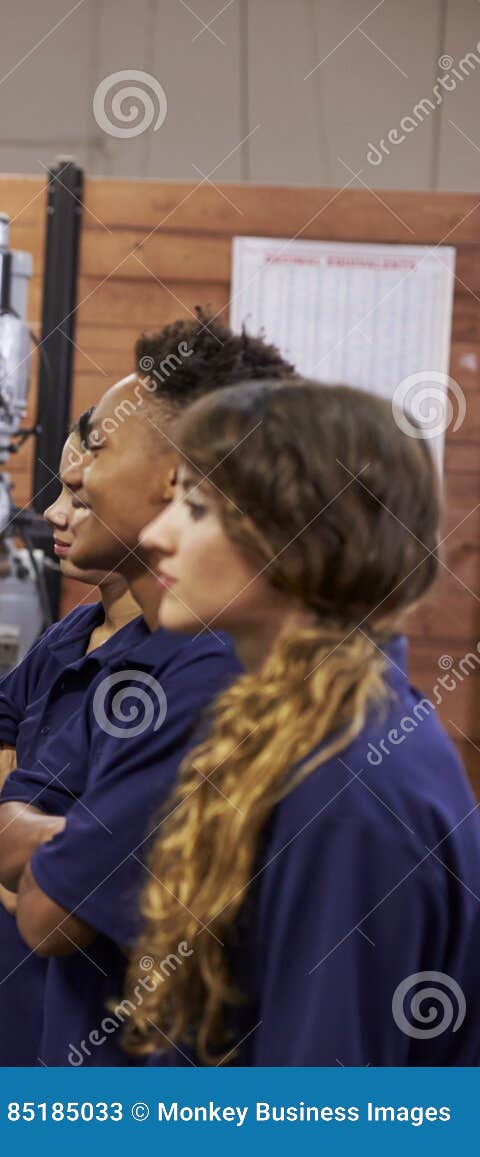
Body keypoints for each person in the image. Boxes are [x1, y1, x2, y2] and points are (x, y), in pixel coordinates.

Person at [122, 380, 480, 1065]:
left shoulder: (349, 787)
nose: (154, 536)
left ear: (300, 538)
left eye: (195, 507)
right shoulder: (304, 724)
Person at [0, 312, 293, 1065]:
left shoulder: (213, 672)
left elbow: (49, 913)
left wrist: (55, 842)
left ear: (178, 476)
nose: (74, 476)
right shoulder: (127, 647)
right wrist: (73, 839)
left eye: (100, 448)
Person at [0, 407, 143, 1065]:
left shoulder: (180, 667)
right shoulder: (68, 636)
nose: (52, 512)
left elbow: (83, 891)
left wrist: (13, 832)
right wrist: (23, 829)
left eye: (79, 495)